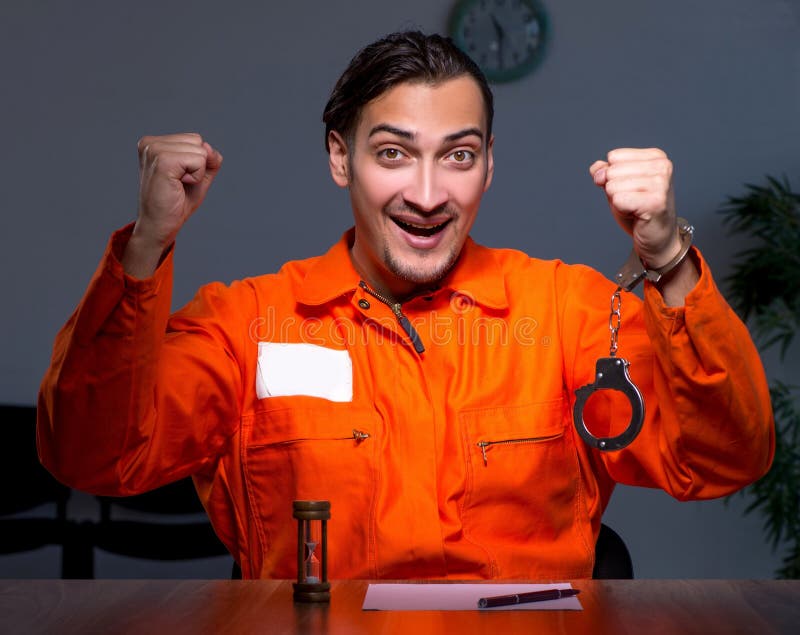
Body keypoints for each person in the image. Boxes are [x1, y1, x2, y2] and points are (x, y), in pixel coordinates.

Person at [37, 31, 774, 580]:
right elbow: (94, 456)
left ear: (489, 164)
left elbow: (722, 458)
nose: (426, 195)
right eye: (392, 153)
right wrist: (146, 245)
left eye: (457, 155)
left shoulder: (567, 309)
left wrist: (669, 259)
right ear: (339, 157)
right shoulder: (248, 322)